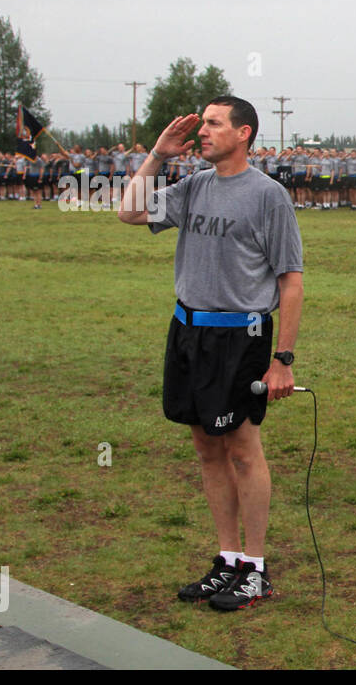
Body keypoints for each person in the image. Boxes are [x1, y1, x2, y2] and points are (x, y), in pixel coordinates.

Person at [117, 95, 303, 610]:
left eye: (214, 124)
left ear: (243, 133)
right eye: (202, 125)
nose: (203, 132)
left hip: (239, 338)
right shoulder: (193, 185)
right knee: (206, 448)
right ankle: (227, 559)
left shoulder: (268, 196)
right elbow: (128, 211)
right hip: (188, 332)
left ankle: (256, 568)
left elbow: (290, 281)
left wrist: (281, 358)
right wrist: (157, 155)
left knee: (243, 449)